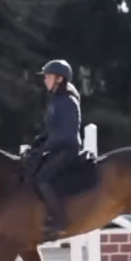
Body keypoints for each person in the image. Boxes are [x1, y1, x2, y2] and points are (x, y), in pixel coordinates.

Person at [27, 59, 83, 239]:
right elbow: (51, 130)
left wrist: (45, 148)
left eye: (48, 76)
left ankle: (61, 221)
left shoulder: (67, 100)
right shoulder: (56, 100)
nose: (45, 80)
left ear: (59, 79)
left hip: (67, 147)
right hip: (58, 146)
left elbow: (66, 132)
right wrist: (37, 143)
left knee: (43, 180)